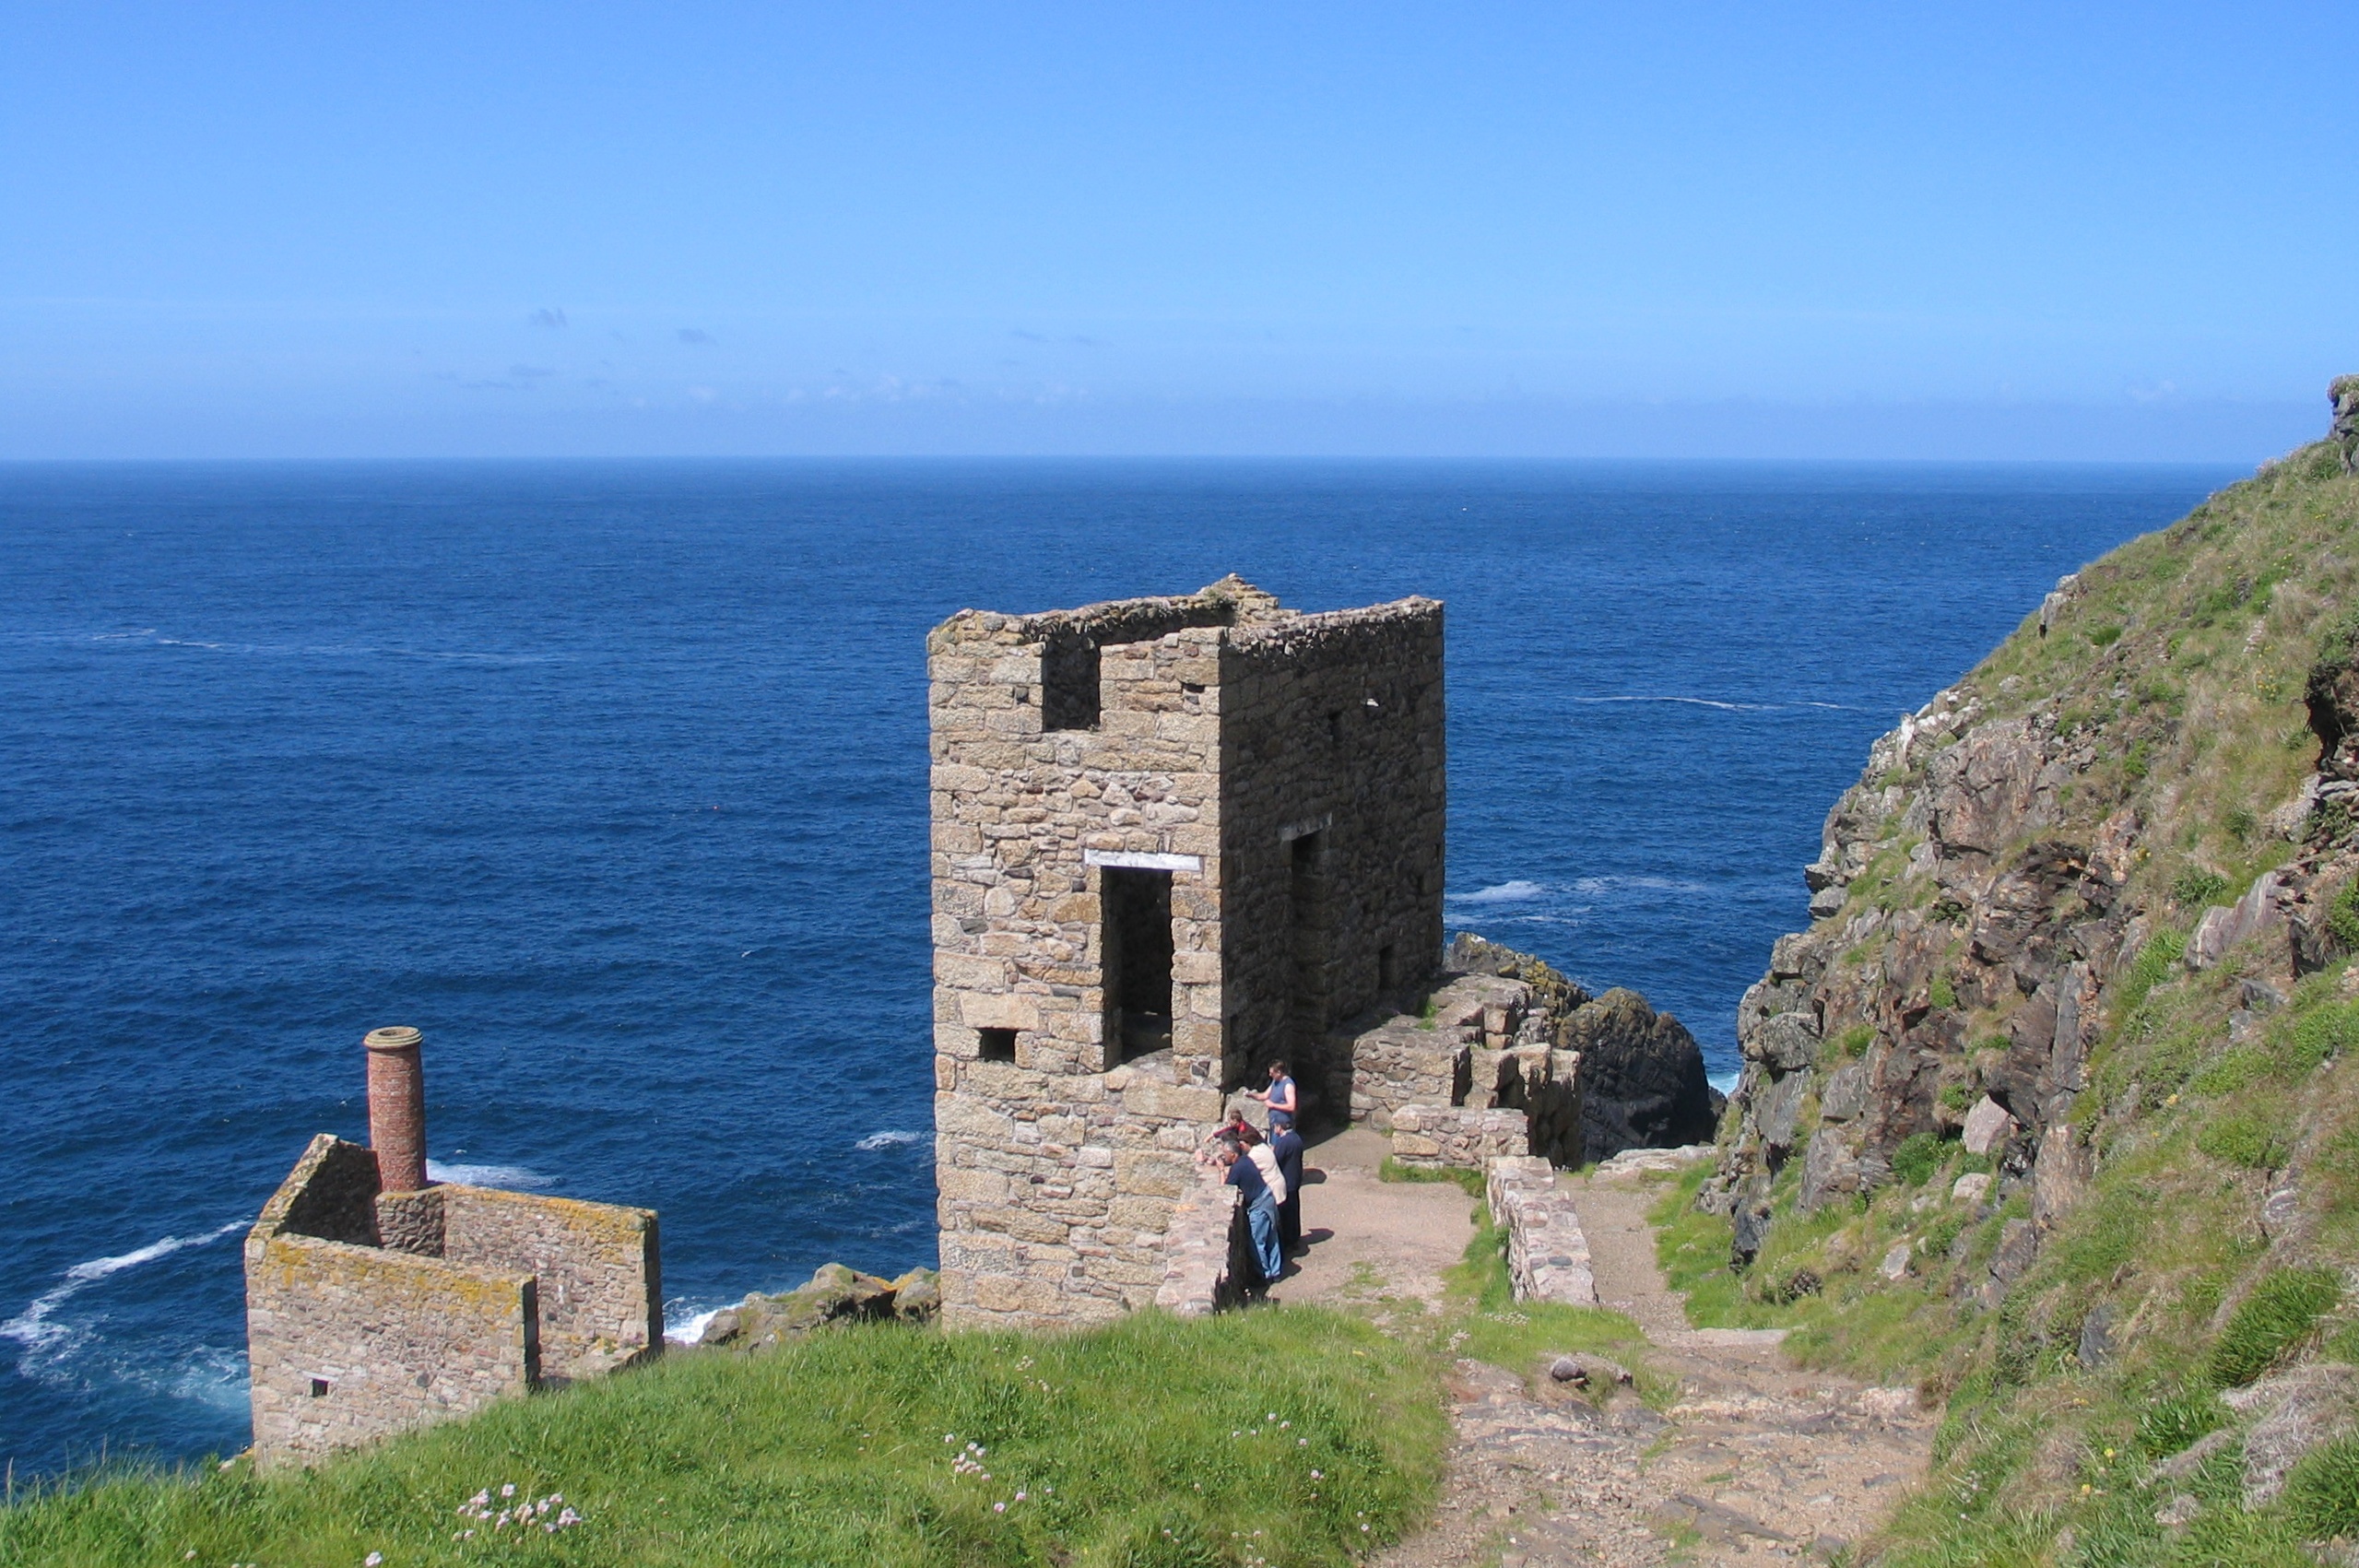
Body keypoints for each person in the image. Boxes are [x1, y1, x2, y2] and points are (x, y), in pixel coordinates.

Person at [1221, 1123, 1286, 1285]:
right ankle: (1276, 1271)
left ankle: (1265, 1275)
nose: (1224, 1157)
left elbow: (1224, 1190)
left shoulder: (1237, 1168)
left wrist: (1221, 1170)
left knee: (1257, 1242)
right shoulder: (1246, 1161)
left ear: (1233, 1154)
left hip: (1259, 1204)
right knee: (1272, 1237)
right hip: (1268, 1196)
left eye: (1225, 1154)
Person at [1268, 1119, 1306, 1256]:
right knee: (1294, 1210)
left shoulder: (1284, 1142)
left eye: (1275, 1127)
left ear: (1279, 1127)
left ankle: (1288, 1241)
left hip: (1287, 1181)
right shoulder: (1296, 1138)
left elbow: (1276, 1160)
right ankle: (1295, 1237)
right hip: (1295, 1178)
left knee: (1287, 1212)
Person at [1248, 1059, 1298, 1132]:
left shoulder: (1288, 1085)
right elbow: (1265, 1095)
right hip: (1274, 1124)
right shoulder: (1275, 1082)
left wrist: (1273, 1105)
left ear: (1279, 1072)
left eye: (1272, 1073)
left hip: (1284, 1126)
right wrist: (1251, 1095)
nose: (1270, 1075)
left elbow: (1291, 1106)